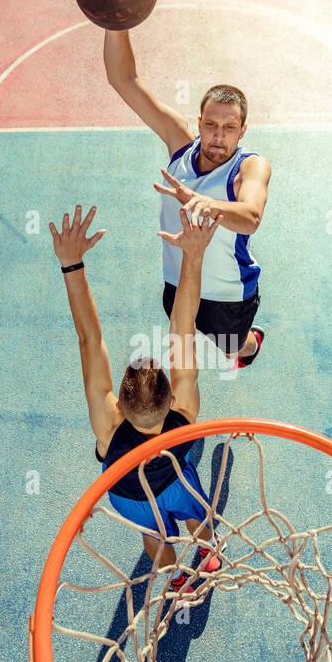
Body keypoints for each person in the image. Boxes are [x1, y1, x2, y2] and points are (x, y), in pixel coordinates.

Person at [49, 201, 222, 592]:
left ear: (120, 405)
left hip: (129, 495)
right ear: (168, 393)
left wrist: (71, 264)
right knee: (197, 512)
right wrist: (193, 256)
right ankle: (207, 552)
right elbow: (184, 325)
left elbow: (89, 340)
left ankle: (175, 576)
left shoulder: (109, 427)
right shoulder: (184, 410)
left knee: (154, 535)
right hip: (175, 476)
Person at [103, 28, 272, 370]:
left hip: (227, 297)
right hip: (177, 282)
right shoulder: (181, 142)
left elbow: (251, 215)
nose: (217, 136)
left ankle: (250, 342)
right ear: (199, 122)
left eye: (228, 127)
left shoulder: (250, 166)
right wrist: (114, 21)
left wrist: (206, 203)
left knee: (231, 348)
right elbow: (123, 79)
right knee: (183, 365)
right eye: (210, 124)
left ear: (242, 130)